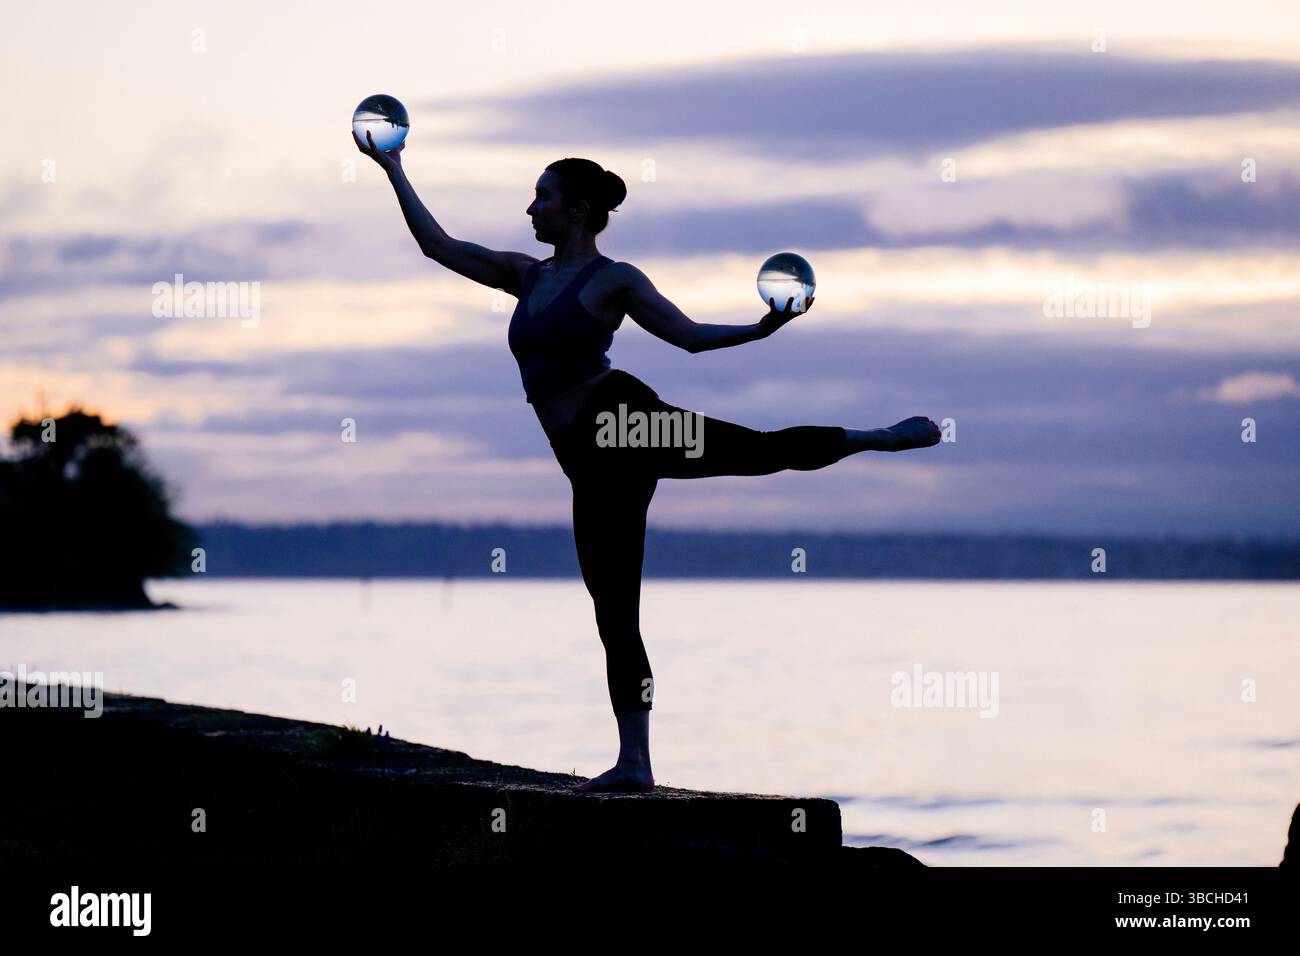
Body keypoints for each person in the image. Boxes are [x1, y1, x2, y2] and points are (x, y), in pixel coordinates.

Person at [354, 130, 942, 793]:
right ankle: (635, 761)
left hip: (622, 423)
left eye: (542, 197)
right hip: (585, 457)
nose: (531, 209)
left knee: (754, 452)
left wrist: (757, 329)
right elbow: (438, 245)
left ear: (577, 209)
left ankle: (879, 437)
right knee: (613, 609)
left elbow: (688, 337)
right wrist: (393, 167)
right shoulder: (528, 275)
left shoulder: (616, 280)